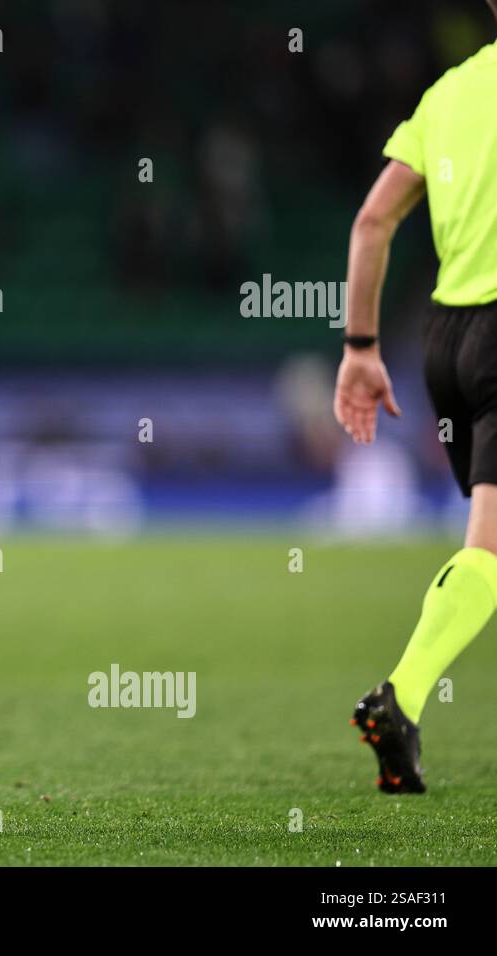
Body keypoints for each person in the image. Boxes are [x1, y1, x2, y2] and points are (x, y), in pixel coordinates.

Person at [335, 5, 497, 793]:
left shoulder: (449, 94)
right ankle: (400, 694)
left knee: (489, 542)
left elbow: (372, 222)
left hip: (449, 339)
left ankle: (403, 703)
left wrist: (360, 349)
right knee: (488, 549)